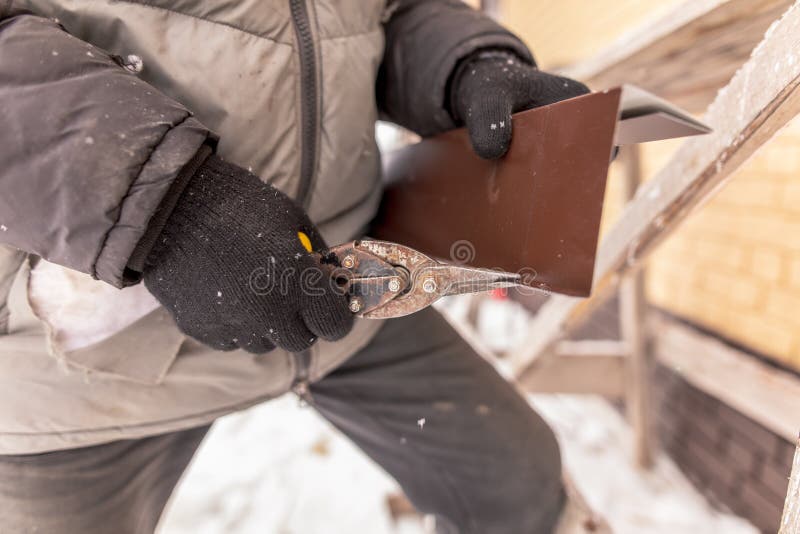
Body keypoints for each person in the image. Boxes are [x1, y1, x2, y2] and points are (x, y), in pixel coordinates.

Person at [0, 1, 592, 532]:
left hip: (349, 287)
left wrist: (465, 64)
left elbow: (387, 13)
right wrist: (169, 211)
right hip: (86, 353)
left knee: (518, 485)